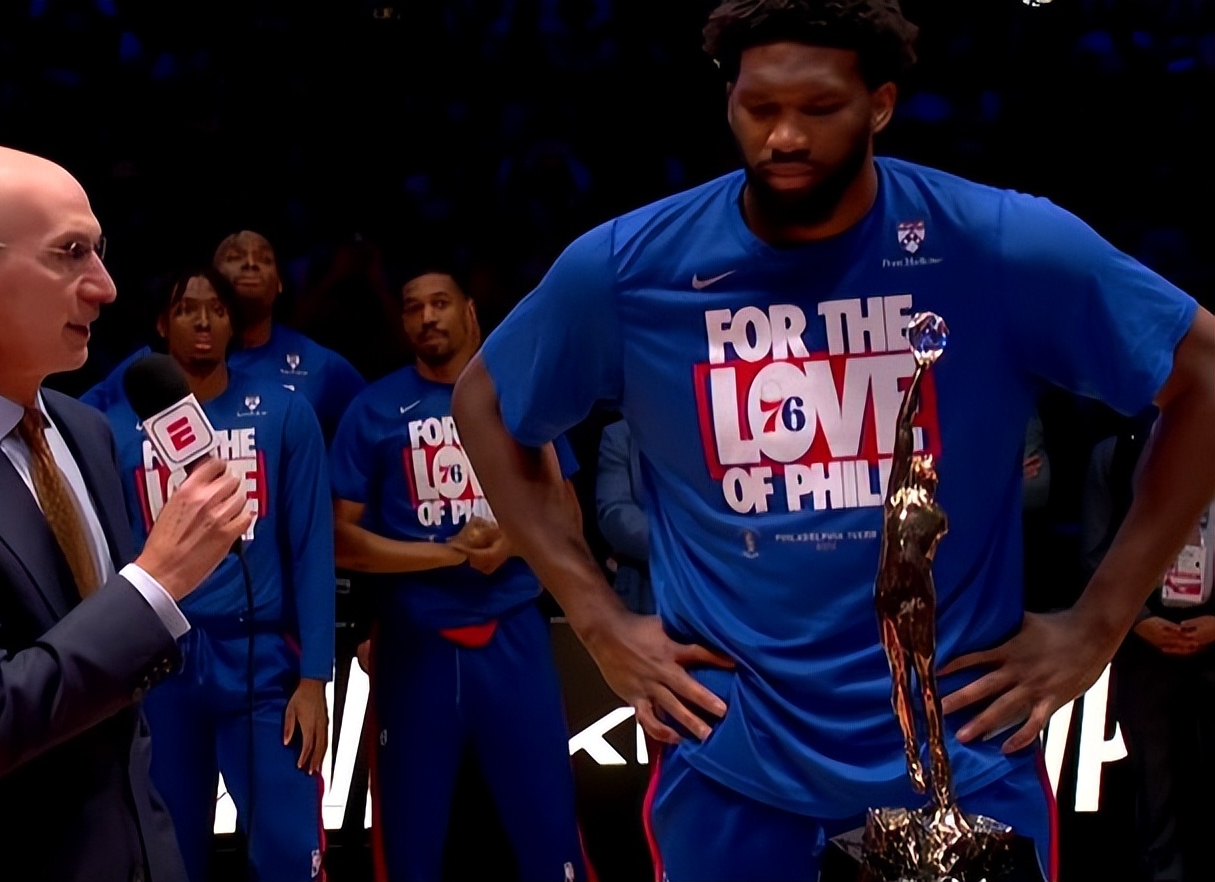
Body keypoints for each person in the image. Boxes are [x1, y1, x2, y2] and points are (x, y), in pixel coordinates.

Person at [449, 2, 1215, 880]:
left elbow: (1203, 377)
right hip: (729, 759)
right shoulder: (629, 268)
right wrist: (595, 618)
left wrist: (1098, 625)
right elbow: (488, 405)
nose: (782, 136)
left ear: (880, 104)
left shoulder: (994, 244)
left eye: (818, 109)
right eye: (758, 108)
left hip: (957, 759)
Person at [0, 144, 252, 882]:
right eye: (70, 253)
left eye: (100, 251)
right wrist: (156, 582)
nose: (106, 287)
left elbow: (112, 715)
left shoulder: (84, 430)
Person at [328, 267, 590, 882]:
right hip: (413, 642)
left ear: (471, 311)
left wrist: (510, 540)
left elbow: (569, 517)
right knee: (409, 843)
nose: (427, 318)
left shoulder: (519, 396)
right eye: (414, 307)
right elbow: (339, 540)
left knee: (550, 828)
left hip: (511, 633)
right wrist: (452, 553)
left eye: (440, 303)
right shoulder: (373, 408)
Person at [90, 265, 335, 882]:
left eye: (217, 310)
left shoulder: (285, 413)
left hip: (261, 660)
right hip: (159, 664)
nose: (202, 322)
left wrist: (314, 679)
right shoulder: (114, 427)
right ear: (160, 324)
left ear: (235, 324)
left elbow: (311, 547)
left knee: (288, 852)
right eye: (186, 308)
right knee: (169, 855)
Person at [1082, 413, 1215, 882]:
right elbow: (1095, 554)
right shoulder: (1118, 453)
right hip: (1144, 648)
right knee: (1155, 790)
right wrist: (1140, 621)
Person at [82, 229, 366, 447]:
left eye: (264, 259)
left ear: (280, 282)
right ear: (211, 277)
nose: (250, 265)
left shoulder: (320, 364)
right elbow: (76, 420)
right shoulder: (151, 368)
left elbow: (372, 429)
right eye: (234, 258)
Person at [596, 418, 654, 614]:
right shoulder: (620, 435)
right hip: (644, 589)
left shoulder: (719, 434)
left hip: (720, 587)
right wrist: (687, 548)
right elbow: (615, 515)